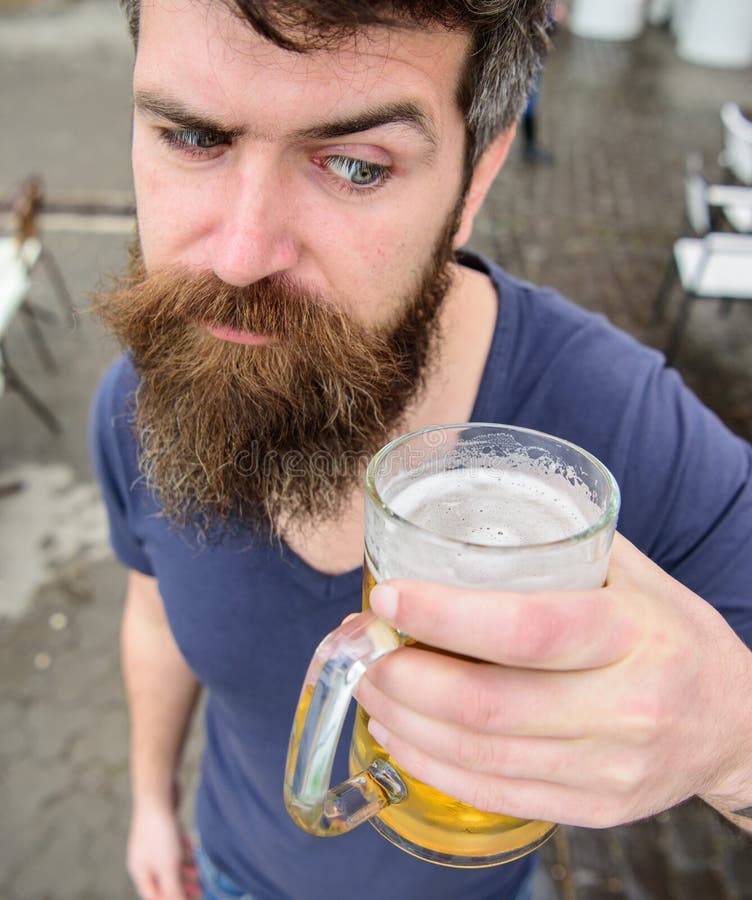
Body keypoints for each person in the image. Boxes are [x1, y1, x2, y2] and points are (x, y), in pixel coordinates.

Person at [90, 2, 752, 899]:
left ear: (476, 178)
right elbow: (153, 611)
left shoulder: (622, 421)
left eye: (357, 165)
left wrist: (729, 735)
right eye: (193, 136)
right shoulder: (142, 396)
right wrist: (150, 804)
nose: (241, 255)